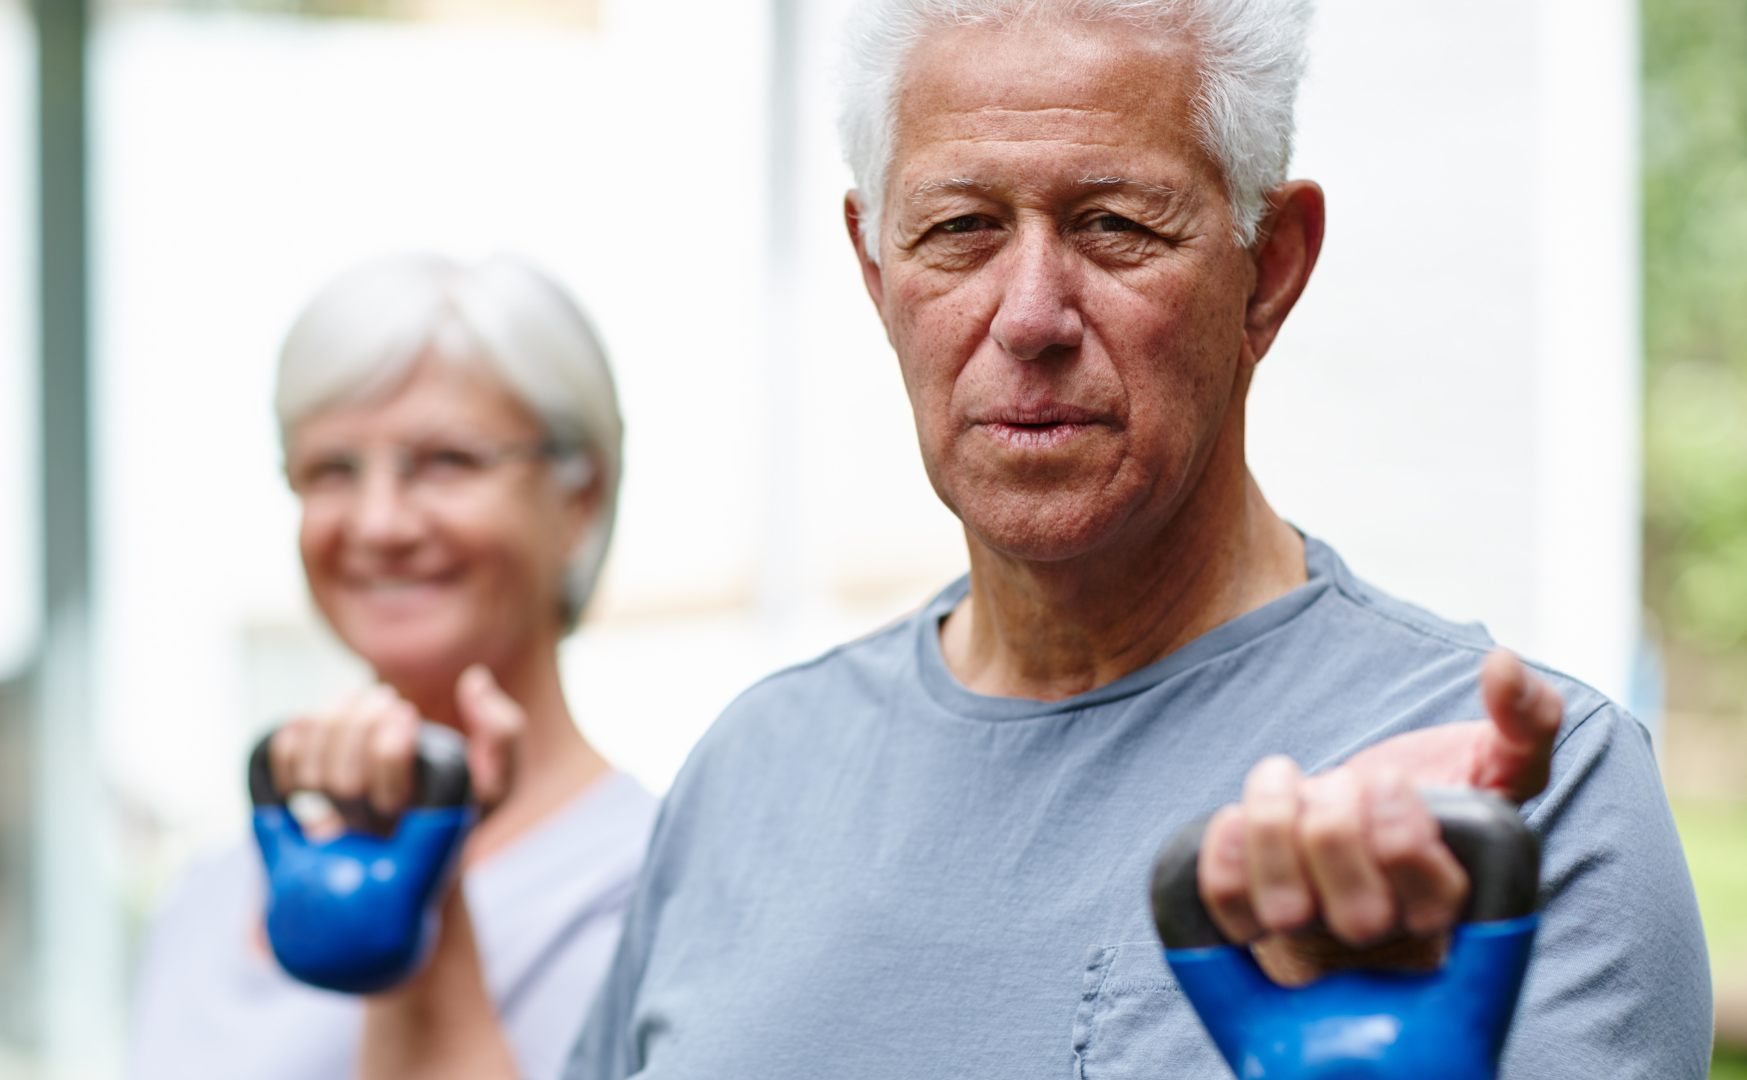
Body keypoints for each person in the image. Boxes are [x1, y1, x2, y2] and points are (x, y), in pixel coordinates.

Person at [334, 2, 1715, 1077]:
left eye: (1115, 226)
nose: (1031, 313)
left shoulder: (1508, 810)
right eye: (960, 231)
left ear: (1270, 271)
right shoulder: (753, 776)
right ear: (877, 272)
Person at [127, 253, 657, 1080]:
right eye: (332, 470)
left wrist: (427, 891)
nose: (378, 522)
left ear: (577, 499)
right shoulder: (203, 897)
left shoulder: (652, 890)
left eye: (446, 461)